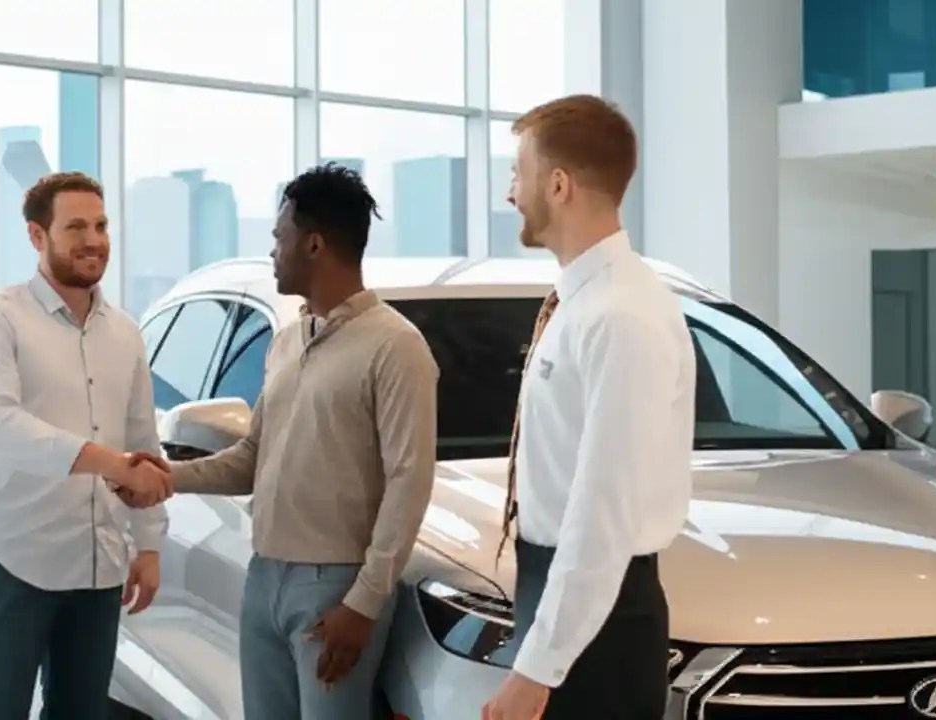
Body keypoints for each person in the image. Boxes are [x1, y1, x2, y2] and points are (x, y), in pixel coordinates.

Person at [128, 163, 439, 720]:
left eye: (280, 237)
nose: (273, 250)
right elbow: (253, 458)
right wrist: (167, 475)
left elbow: (409, 483)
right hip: (264, 576)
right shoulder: (290, 339)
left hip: (334, 587)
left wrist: (364, 603)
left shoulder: (396, 346)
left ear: (313, 244)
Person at [482, 95, 697, 720]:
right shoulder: (582, 301)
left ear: (558, 184)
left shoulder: (621, 316)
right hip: (561, 595)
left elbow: (602, 514)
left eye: (517, 174)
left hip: (600, 619)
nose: (510, 192)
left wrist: (537, 669)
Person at [0, 171, 175, 720]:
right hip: (10, 557)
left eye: (100, 225)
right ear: (37, 236)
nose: (93, 239)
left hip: (97, 563)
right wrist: (112, 464)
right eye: (75, 226)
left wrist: (148, 545)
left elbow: (142, 438)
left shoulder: (125, 332)